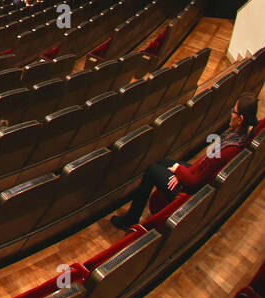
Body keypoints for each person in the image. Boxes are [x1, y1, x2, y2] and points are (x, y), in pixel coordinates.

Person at [110, 94, 258, 229]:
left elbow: (195, 182)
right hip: (195, 176)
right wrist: (180, 170)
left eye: (234, 110)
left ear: (240, 119)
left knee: (151, 170)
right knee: (163, 163)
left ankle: (131, 220)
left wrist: (179, 172)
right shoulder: (239, 137)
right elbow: (204, 164)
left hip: (189, 192)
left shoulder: (228, 150)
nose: (231, 112)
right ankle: (132, 216)